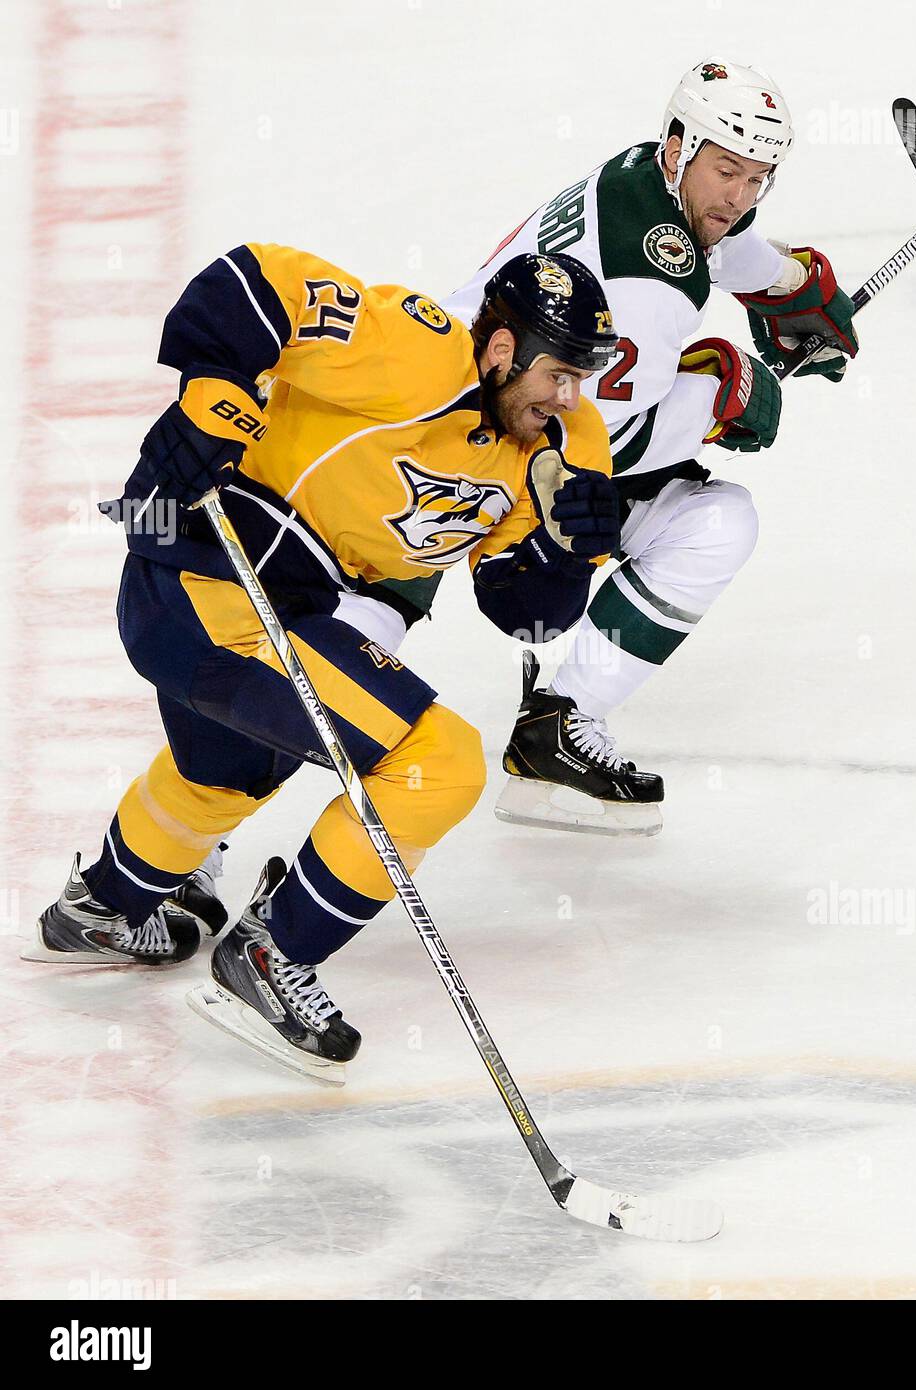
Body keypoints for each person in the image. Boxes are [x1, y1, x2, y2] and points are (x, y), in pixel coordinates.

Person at [25, 245, 620, 1083]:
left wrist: (565, 553)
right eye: (558, 372)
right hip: (204, 574)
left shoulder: (569, 443)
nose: (568, 396)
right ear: (500, 350)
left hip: (274, 607)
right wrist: (213, 392)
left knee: (224, 776)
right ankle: (271, 954)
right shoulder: (411, 349)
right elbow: (251, 281)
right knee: (438, 762)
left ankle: (103, 908)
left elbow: (523, 613)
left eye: (583, 378)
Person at [437, 57, 860, 835]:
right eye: (726, 170)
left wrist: (791, 281)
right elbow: (615, 447)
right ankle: (556, 730)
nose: (739, 196)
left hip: (470, 423)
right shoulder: (648, 279)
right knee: (714, 522)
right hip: (474, 470)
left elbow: (718, 242)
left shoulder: (638, 178)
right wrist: (722, 394)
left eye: (758, 177)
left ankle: (550, 741)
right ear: (679, 149)